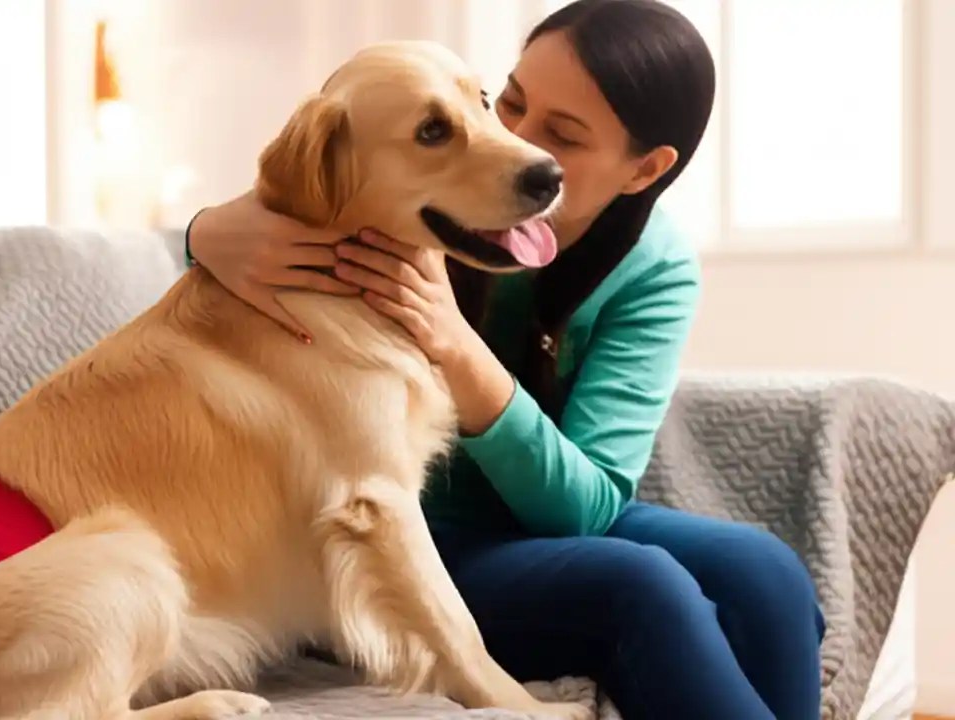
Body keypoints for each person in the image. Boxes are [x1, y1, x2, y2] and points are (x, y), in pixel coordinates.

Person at [182, 1, 825, 718]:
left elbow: (587, 506)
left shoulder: (654, 267)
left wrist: (455, 344)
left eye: (564, 134)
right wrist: (206, 230)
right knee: (641, 586)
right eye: (506, 100)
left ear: (643, 170)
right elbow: (293, 200)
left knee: (766, 573)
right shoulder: (408, 197)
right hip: (403, 534)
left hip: (540, 520)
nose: (508, 140)